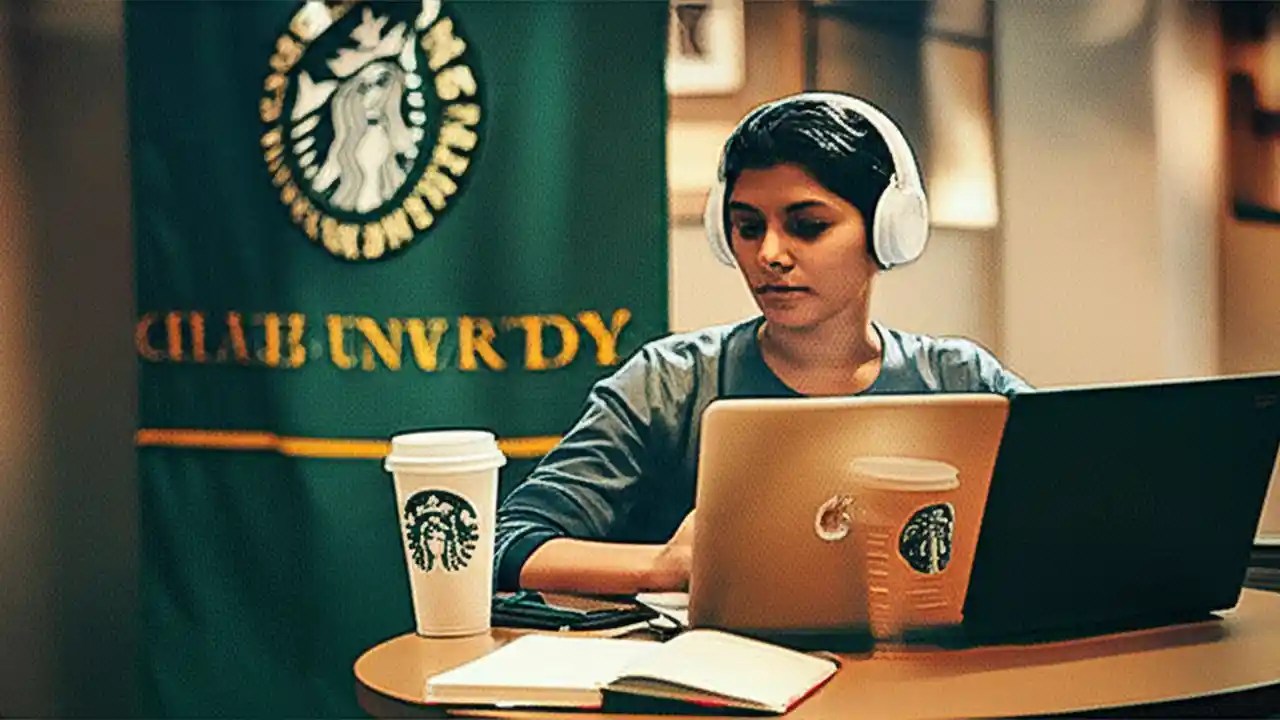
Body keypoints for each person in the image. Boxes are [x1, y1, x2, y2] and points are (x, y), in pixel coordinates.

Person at [494, 91, 1031, 596]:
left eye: (808, 226)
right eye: (748, 227)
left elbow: (1073, 516)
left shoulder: (962, 384)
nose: (770, 254)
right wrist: (666, 567)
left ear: (889, 230)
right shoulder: (671, 384)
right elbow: (508, 545)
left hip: (924, 680)